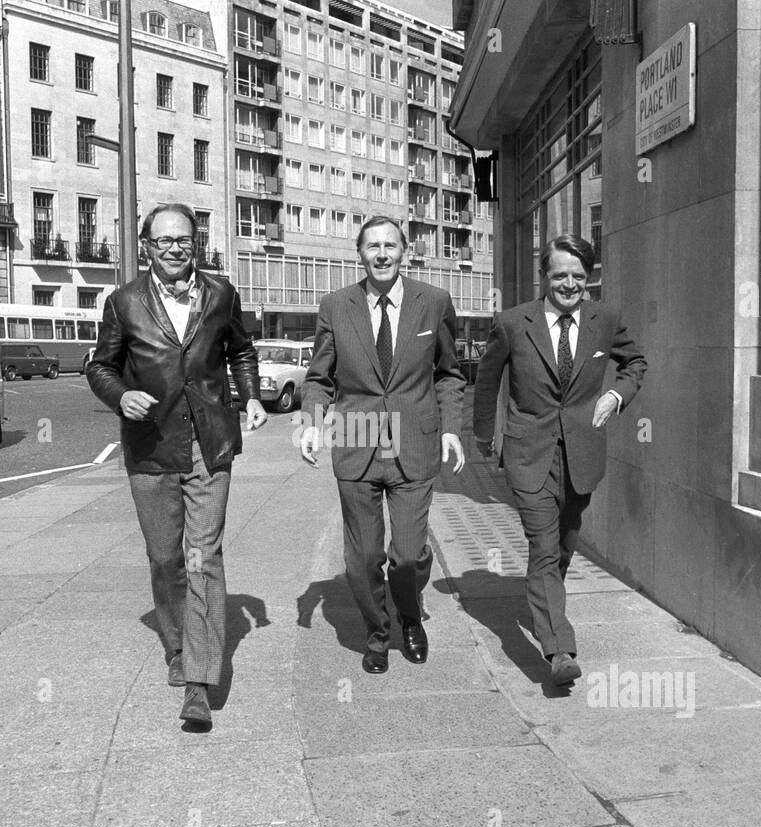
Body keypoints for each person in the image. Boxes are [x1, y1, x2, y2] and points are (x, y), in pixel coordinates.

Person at [86, 203, 267, 728]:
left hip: (210, 445)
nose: (174, 248)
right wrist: (121, 397)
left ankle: (199, 680)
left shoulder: (221, 294)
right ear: (146, 245)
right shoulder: (123, 302)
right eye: (163, 240)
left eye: (183, 240)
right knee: (166, 559)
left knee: (201, 556)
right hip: (151, 449)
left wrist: (250, 396)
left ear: (196, 244)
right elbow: (100, 365)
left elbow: (242, 350)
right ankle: (175, 644)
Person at [473, 235, 646, 686]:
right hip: (529, 451)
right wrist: (482, 438)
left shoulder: (604, 319)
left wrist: (615, 395)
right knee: (544, 547)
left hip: (582, 453)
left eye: (577, 275)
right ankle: (559, 649)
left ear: (588, 276)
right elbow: (488, 380)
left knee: (566, 542)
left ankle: (548, 609)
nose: (568, 284)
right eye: (559, 275)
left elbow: (636, 364)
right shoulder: (513, 322)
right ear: (544, 277)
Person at [299, 216, 466, 674]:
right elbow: (319, 377)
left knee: (408, 555)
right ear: (360, 253)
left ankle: (410, 616)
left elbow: (450, 374)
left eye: (390, 245)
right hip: (357, 443)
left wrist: (451, 427)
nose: (382, 254)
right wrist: (313, 422)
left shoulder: (433, 302)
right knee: (362, 558)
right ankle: (376, 633)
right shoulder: (336, 305)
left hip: (414, 443)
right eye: (372, 246)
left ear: (404, 251)